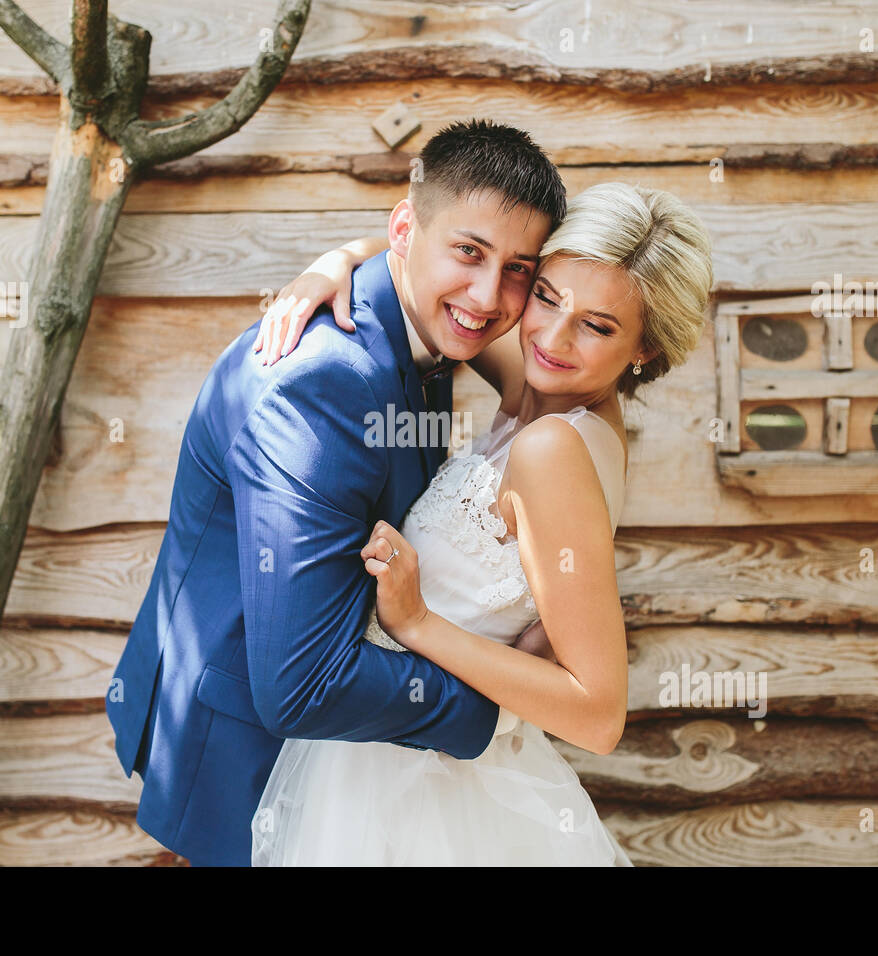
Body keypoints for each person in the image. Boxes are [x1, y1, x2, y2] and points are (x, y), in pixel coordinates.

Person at [104, 119, 567, 866]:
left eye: (518, 268)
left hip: (345, 742)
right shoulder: (325, 382)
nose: (489, 296)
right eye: (469, 252)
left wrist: (346, 254)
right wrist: (507, 703)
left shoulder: (437, 324)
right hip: (248, 741)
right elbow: (302, 685)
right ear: (406, 230)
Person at [249, 181, 713, 864]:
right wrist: (336, 261)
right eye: (549, 295)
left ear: (644, 349)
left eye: (599, 326)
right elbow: (435, 264)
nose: (553, 335)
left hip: (435, 792)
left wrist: (416, 625)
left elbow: (598, 713)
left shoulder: (553, 447)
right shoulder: (540, 387)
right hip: (392, 750)